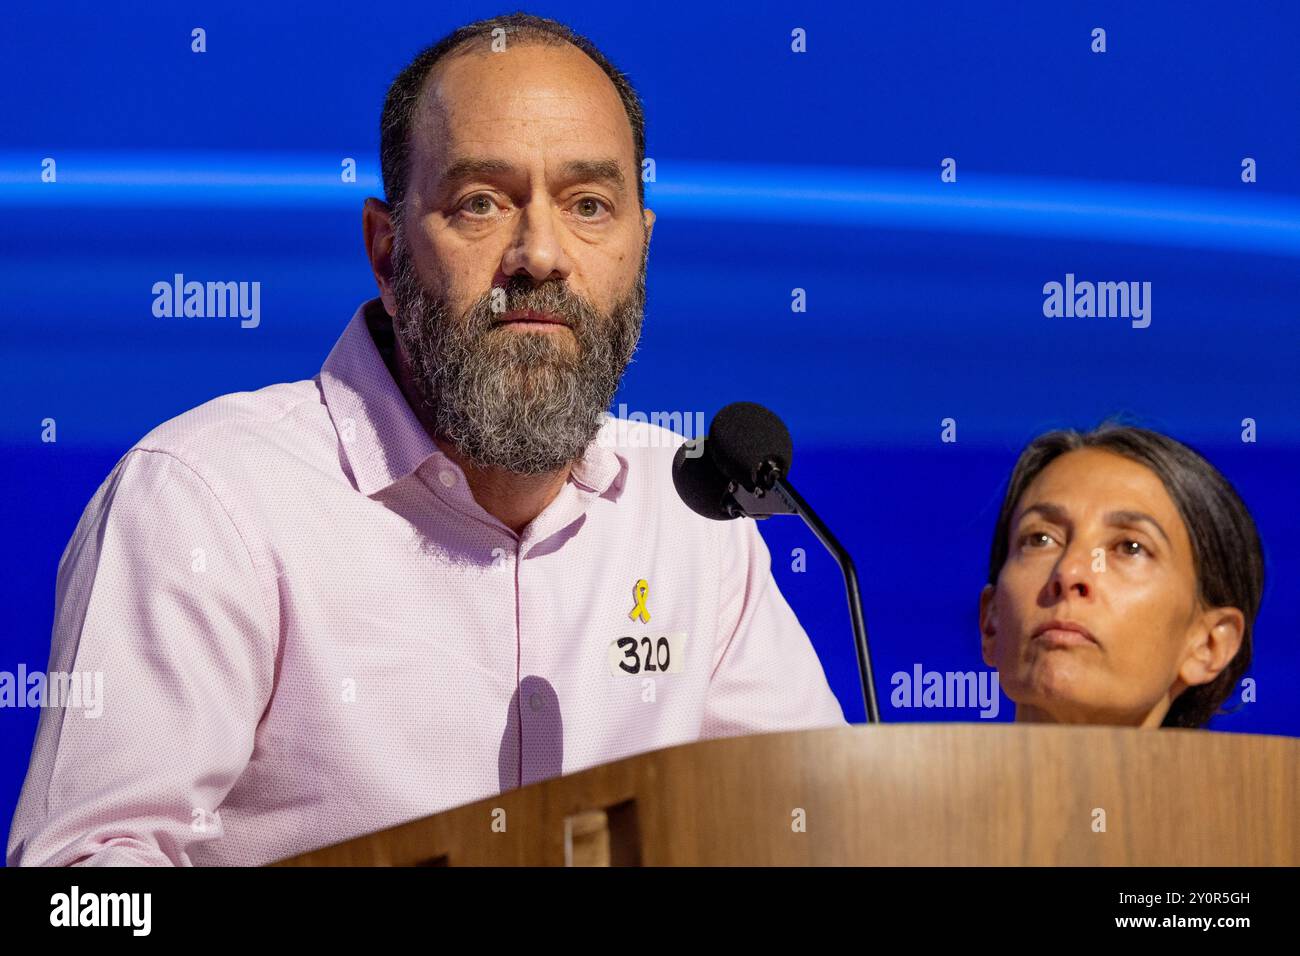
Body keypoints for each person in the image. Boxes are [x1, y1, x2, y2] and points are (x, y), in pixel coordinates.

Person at [8, 12, 845, 867]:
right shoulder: (208, 501)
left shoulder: (691, 516)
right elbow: (82, 886)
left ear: (642, 246)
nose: (541, 254)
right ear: (385, 249)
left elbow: (815, 831)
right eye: (480, 202)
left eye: (589, 205)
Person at [979, 423, 1262, 728]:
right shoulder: (923, 776)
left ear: (1208, 645)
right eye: (1040, 539)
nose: (1069, 572)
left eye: (1130, 547)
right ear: (991, 623)